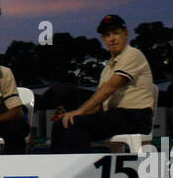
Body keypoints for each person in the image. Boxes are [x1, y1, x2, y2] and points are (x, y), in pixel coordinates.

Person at [50, 14, 156, 153]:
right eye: (107, 35)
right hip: (115, 115)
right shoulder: (108, 68)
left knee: (77, 127)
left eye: (116, 33)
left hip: (135, 116)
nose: (112, 38)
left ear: (126, 33)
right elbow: (99, 103)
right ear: (103, 39)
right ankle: (57, 168)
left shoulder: (133, 54)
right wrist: (74, 114)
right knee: (61, 125)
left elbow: (110, 88)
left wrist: (80, 111)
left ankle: (79, 170)